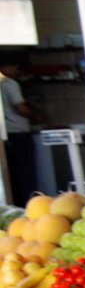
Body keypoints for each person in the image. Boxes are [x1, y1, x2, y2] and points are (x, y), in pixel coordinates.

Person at [0, 63, 38, 202]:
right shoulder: (9, 83)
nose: (17, 71)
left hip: (5, 135)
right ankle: (29, 203)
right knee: (25, 173)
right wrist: (35, 116)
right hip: (18, 133)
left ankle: (16, 203)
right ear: (6, 66)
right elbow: (20, 108)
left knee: (11, 175)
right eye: (15, 67)